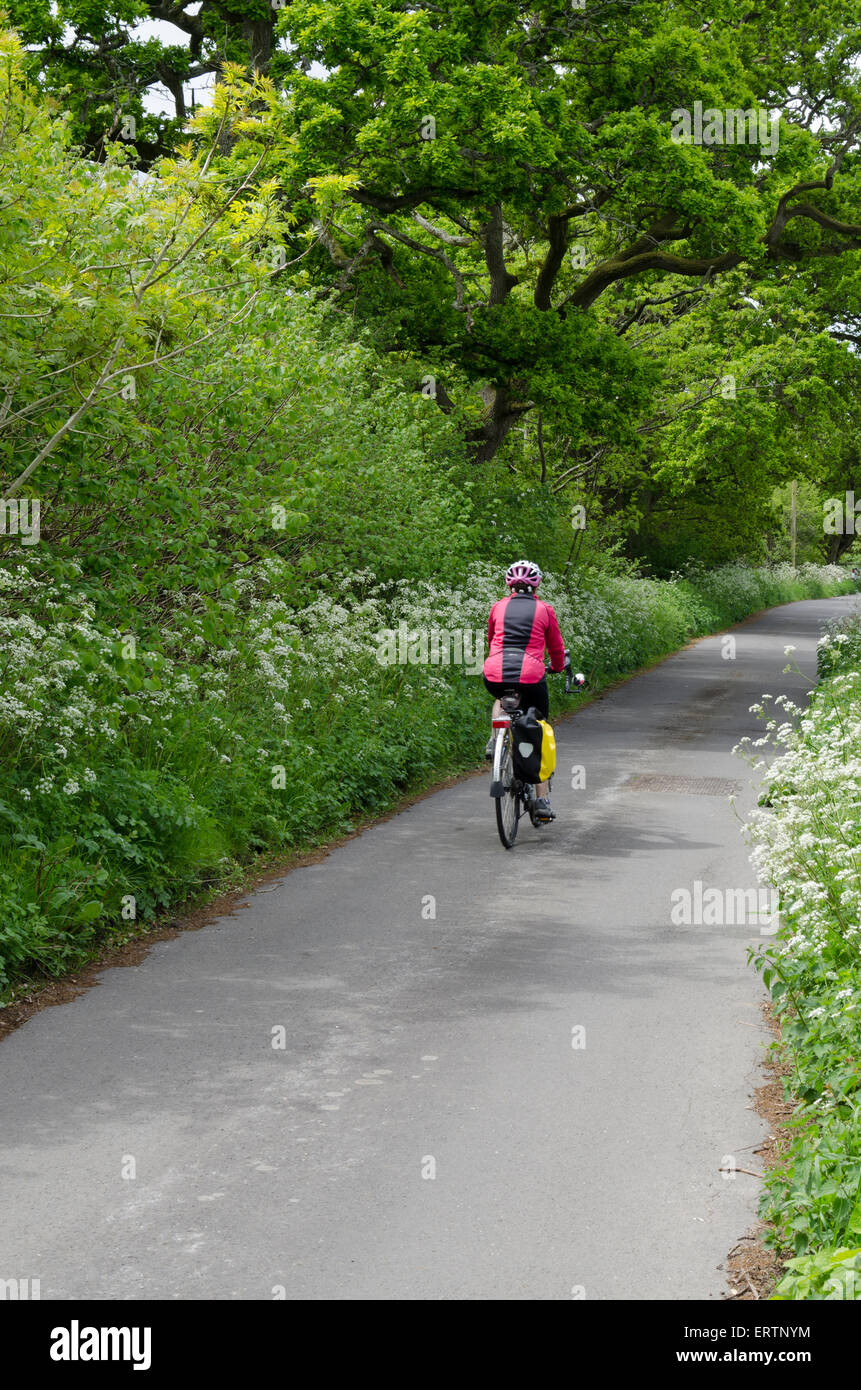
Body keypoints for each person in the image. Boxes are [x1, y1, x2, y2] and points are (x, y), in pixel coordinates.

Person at [483, 560, 566, 822]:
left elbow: (491, 638)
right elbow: (556, 647)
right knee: (539, 726)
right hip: (531, 675)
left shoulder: (498, 607)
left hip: (494, 671)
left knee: (501, 698)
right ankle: (540, 800)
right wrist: (558, 666)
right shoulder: (544, 609)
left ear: (510, 584)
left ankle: (496, 737)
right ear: (536, 584)